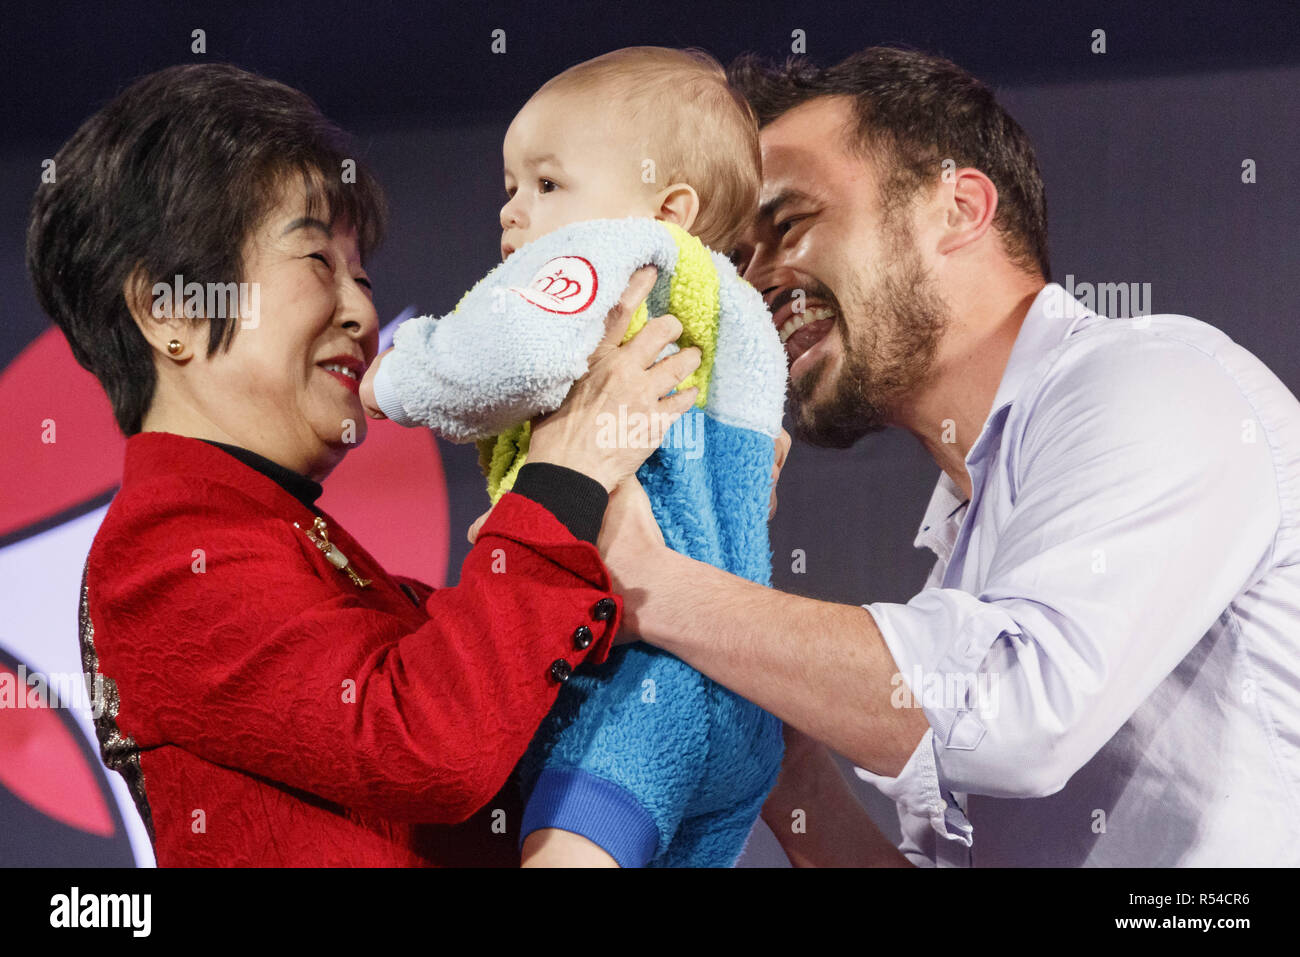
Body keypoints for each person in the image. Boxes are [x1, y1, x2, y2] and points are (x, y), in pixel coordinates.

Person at [595, 46, 1300, 866]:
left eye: (787, 225)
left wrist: (654, 585)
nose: (756, 286)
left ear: (960, 207)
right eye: (741, 260)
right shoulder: (964, 563)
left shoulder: (1158, 377)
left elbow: (1023, 714)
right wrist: (790, 769)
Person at [25, 62, 693, 866]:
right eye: (318, 261)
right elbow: (430, 743)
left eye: (363, 275)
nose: (363, 312)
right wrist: (560, 475)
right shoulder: (165, 552)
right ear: (170, 310)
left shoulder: (297, 548)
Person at [361, 47, 789, 868]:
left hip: (632, 691)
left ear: (668, 208)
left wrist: (399, 375)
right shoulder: (745, 319)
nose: (513, 212)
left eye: (548, 183)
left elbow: (512, 354)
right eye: (511, 186)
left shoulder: (612, 251)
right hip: (745, 701)